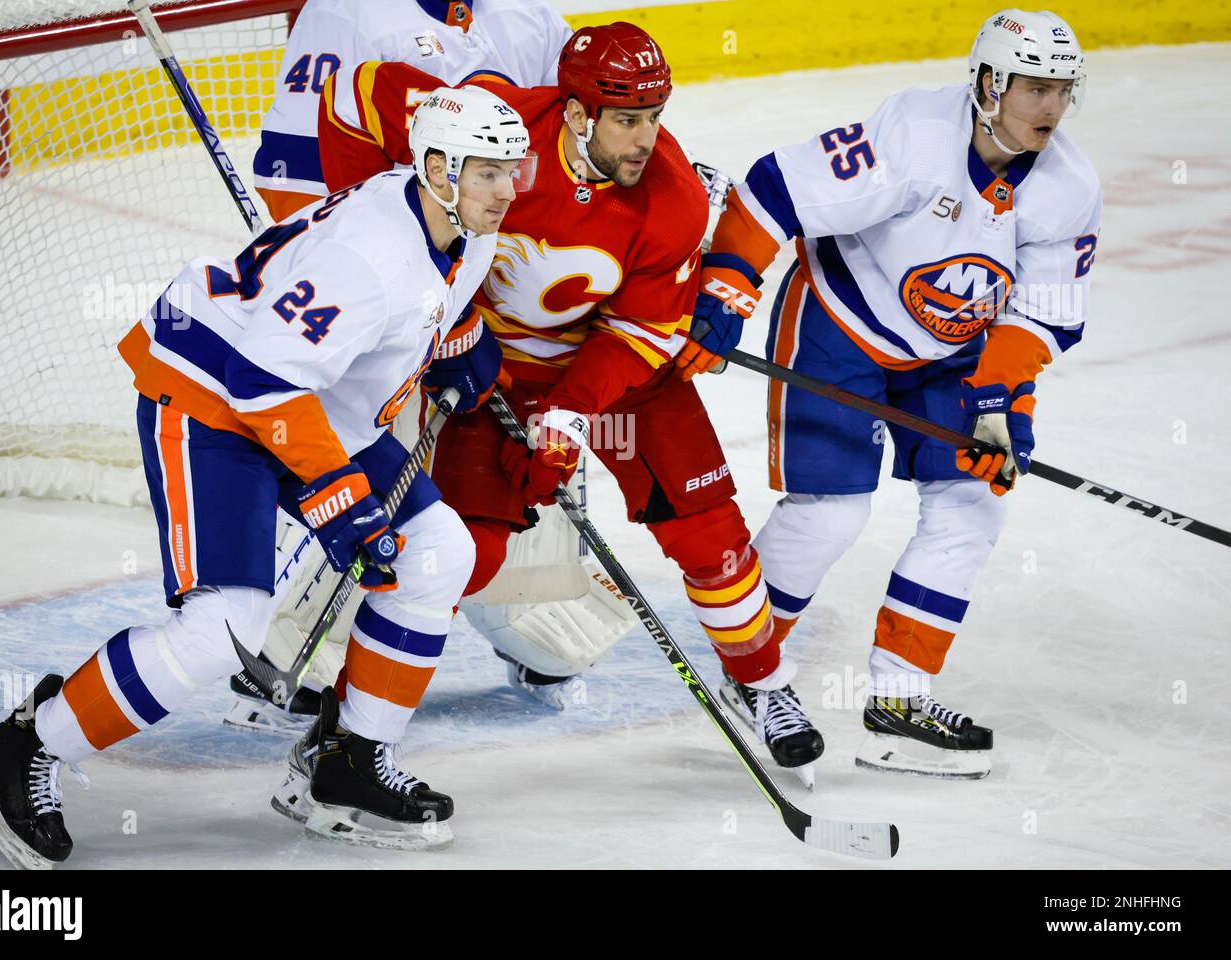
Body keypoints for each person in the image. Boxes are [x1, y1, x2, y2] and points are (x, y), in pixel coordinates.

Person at [0, 86, 532, 865]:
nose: (509, 189)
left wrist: (461, 344)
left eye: (511, 170)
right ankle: (25, 749)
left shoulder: (458, 222)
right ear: (436, 167)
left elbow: (432, 299)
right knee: (224, 630)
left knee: (438, 553)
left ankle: (345, 765)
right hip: (215, 396)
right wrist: (340, 500)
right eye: (489, 173)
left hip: (313, 401)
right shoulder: (366, 257)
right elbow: (261, 379)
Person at [298, 21, 825, 787]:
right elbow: (353, 98)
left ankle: (762, 682)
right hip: (492, 374)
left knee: (711, 536)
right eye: (627, 119)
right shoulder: (493, 126)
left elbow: (643, 332)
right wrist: (382, 231)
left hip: (617, 379)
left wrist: (573, 412)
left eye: (654, 115)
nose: (647, 138)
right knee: (460, 557)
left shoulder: (673, 197)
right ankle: (349, 735)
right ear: (578, 114)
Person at [681, 8, 1099, 778]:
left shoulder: (1069, 185)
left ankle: (900, 698)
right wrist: (727, 292)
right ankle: (751, 675)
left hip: (954, 354)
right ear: (988, 82)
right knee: (834, 512)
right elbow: (776, 189)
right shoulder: (910, 136)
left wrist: (1000, 399)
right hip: (839, 327)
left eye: (1062, 90)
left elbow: (1046, 312)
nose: (1050, 107)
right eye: (1034, 87)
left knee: (973, 502)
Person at [254, 0, 571, 221]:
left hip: (522, 237)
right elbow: (292, 174)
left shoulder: (532, 10)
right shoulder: (341, 14)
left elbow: (577, 133)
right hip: (416, 250)